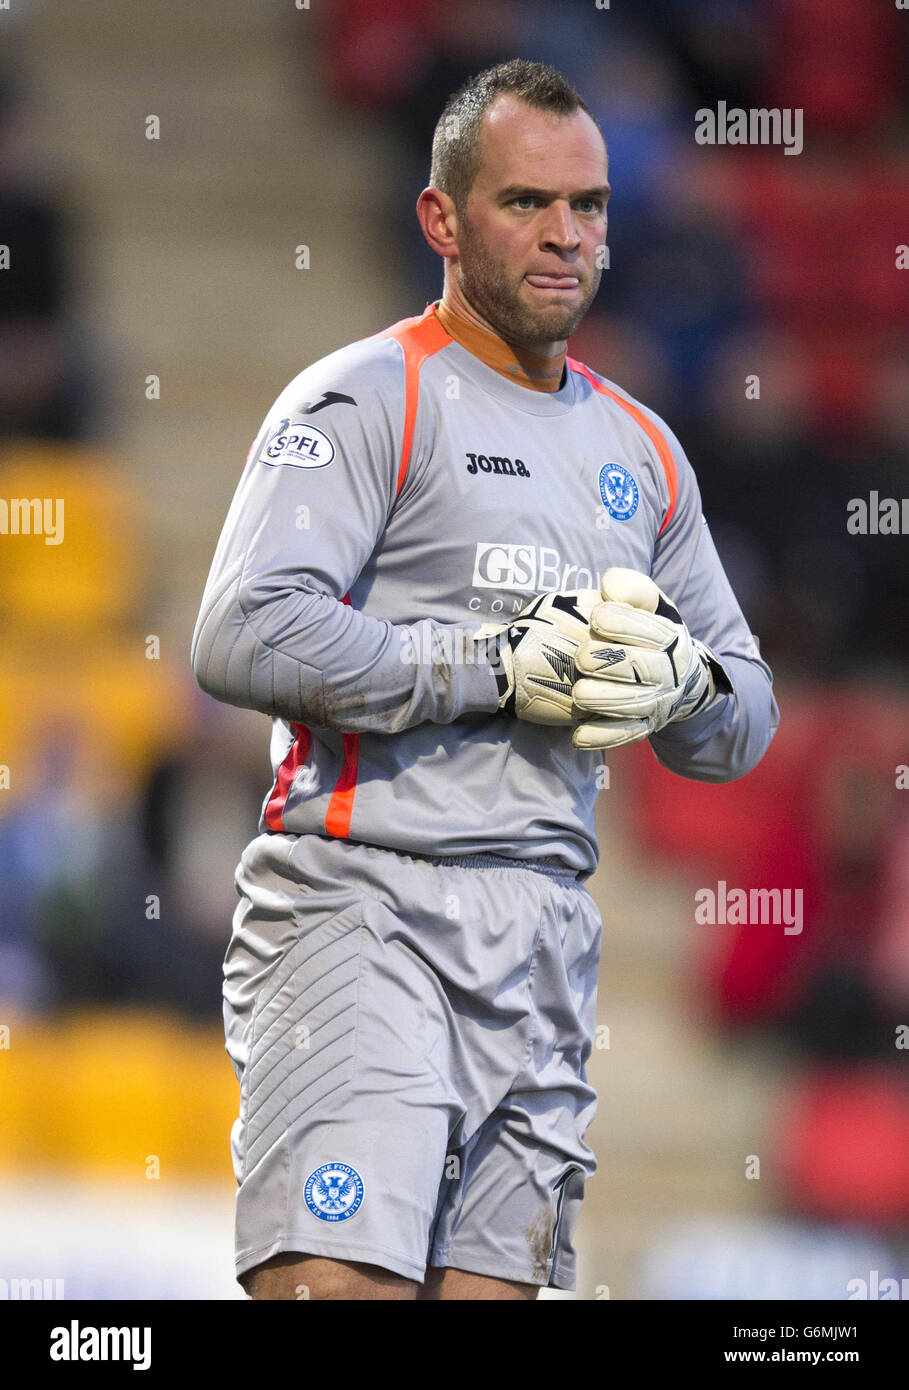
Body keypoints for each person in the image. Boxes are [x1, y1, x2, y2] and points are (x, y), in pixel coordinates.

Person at [191, 59, 779, 1301]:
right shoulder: (364, 398)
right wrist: (498, 665)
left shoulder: (646, 453)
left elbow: (743, 719)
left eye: (592, 206)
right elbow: (244, 631)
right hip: (363, 908)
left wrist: (672, 682)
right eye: (527, 203)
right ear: (442, 219)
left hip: (548, 935)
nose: (568, 236)